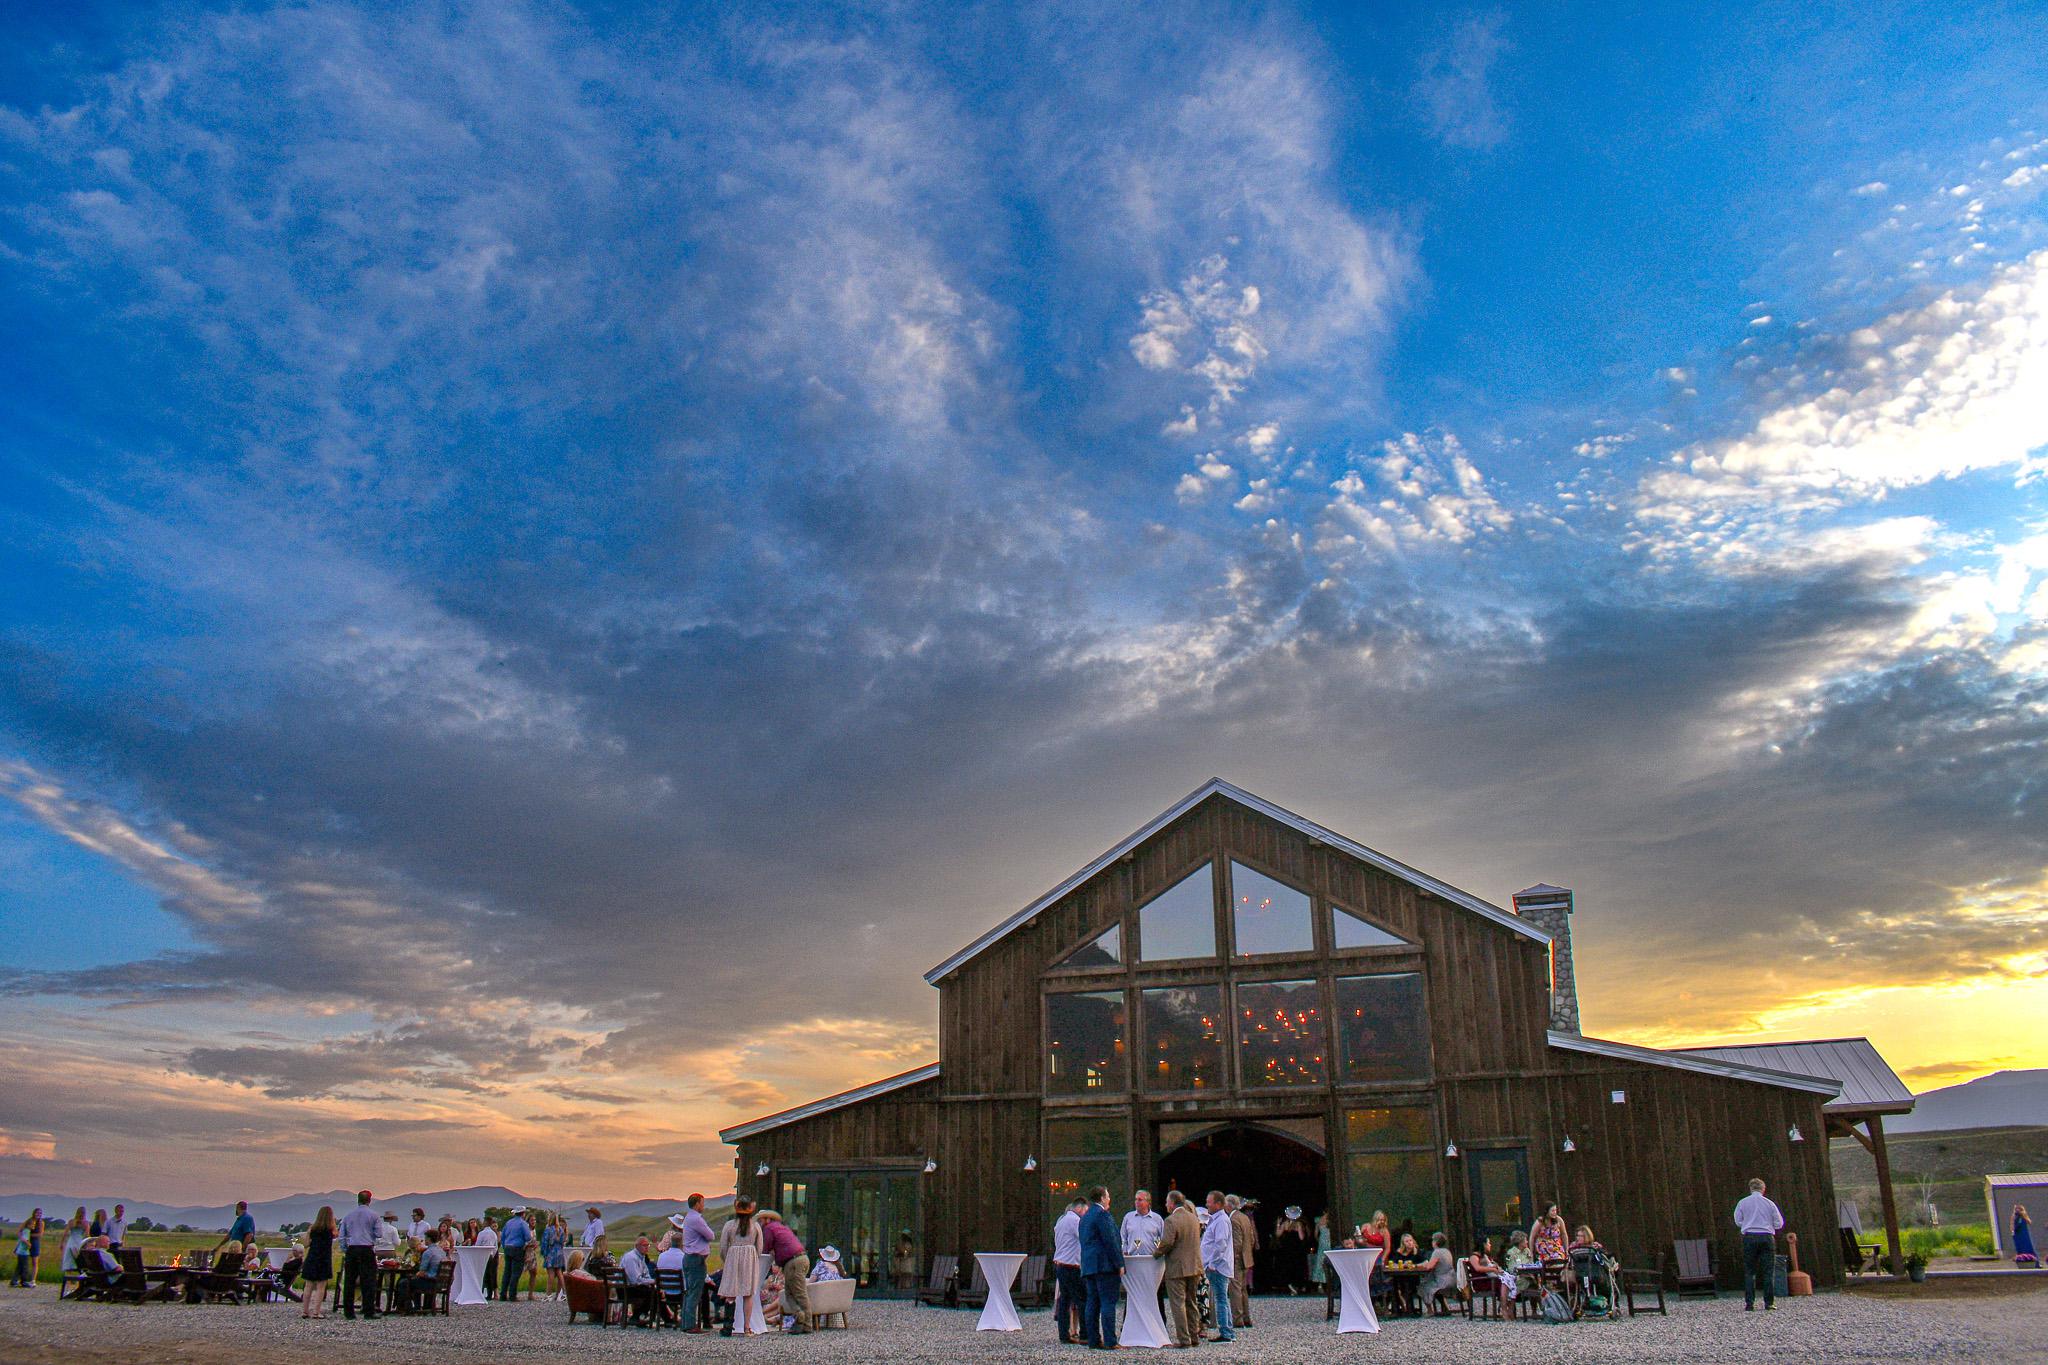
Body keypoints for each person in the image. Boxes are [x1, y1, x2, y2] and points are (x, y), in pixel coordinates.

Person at [1153, 1190, 1204, 1348]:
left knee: (1178, 1304)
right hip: (1194, 1266)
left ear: (1172, 1203)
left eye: (1167, 1202)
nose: (1165, 1205)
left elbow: (1167, 1242)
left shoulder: (1171, 1220)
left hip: (1177, 1268)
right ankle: (1194, 1336)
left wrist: (1156, 1253)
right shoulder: (1194, 1218)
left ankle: (1184, 1339)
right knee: (1192, 1302)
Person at [1078, 1185, 1123, 1350]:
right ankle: (1110, 1340)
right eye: (1108, 1196)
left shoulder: (1084, 1217)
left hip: (1089, 1266)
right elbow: (1111, 1241)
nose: (1109, 1199)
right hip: (1104, 1265)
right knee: (1108, 1302)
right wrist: (1119, 1263)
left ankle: (1093, 1339)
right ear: (1103, 1198)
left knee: (1092, 1302)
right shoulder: (1102, 1215)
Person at [1733, 1176, 1784, 1311]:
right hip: (1766, 1237)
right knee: (1768, 1271)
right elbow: (1779, 1223)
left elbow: (1738, 1221)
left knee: (1750, 1271)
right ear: (1763, 1189)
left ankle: (1750, 1303)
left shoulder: (1742, 1203)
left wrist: (1748, 1224)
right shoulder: (1769, 1203)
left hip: (1750, 1236)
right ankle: (1769, 1303)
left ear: (1750, 1189)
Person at [756, 1209, 811, 1334]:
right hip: (802, 1258)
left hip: (792, 1262)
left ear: (767, 1219)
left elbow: (765, 1247)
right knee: (792, 1292)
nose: (760, 1222)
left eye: (761, 1219)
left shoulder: (769, 1228)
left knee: (796, 1294)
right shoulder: (782, 1227)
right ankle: (803, 1320)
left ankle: (804, 1320)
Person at [717, 1199, 765, 1337]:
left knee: (731, 1293)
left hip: (733, 1257)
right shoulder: (755, 1226)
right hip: (750, 1258)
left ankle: (727, 1327)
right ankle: (747, 1328)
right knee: (748, 1294)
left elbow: (723, 1247)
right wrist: (753, 1257)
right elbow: (760, 1247)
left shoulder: (729, 1225)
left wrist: (728, 1259)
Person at [337, 1190, 383, 1320]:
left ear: (358, 1200)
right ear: (370, 1200)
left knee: (350, 1281)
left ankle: (349, 1312)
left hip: (352, 1249)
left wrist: (345, 1249)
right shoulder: (374, 1215)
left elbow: (342, 1236)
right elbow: (379, 1233)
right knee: (368, 1281)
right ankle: (368, 1310)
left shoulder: (348, 1216)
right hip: (366, 1249)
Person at [676, 1195, 716, 1333]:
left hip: (689, 1257)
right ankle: (690, 1325)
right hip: (696, 1258)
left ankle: (686, 1322)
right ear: (697, 1203)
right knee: (694, 1292)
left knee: (689, 1292)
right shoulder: (696, 1219)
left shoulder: (688, 1217)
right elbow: (710, 1235)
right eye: (702, 1203)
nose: (703, 1206)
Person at [1200, 1191, 1236, 1342]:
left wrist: (1212, 1263)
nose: (1207, 1204)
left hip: (1217, 1267)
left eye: (1209, 1202)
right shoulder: (1217, 1219)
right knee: (1222, 1299)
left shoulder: (1221, 1221)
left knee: (1221, 1299)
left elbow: (1220, 1244)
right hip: (1216, 1265)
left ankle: (1226, 1332)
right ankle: (1228, 1331)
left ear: (1218, 1204)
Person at [1052, 1195, 1087, 1344]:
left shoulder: (1061, 1221)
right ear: (1079, 1208)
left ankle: (1064, 1334)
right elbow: (1085, 1238)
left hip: (1061, 1265)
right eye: (1085, 1210)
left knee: (1064, 1301)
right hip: (1072, 1266)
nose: (1085, 1214)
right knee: (1082, 1300)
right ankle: (1085, 1334)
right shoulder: (1075, 1221)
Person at [1226, 1195, 1256, 1328]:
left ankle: (1237, 1319)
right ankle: (1246, 1317)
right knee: (1243, 1289)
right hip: (1247, 1258)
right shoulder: (1244, 1217)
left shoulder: (1233, 1219)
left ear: (1229, 1205)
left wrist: (1232, 1258)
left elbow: (1236, 1243)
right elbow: (1252, 1239)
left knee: (1235, 1289)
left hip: (1237, 1259)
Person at [300, 1206, 335, 1319]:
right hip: (324, 1259)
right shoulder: (331, 1230)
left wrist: (308, 1233)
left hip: (312, 1257)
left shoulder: (313, 1229)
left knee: (308, 1285)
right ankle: (316, 1312)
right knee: (321, 1286)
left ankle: (305, 1311)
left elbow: (306, 1244)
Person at [400, 1232, 446, 1313]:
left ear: (428, 1239)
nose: (424, 1240)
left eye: (425, 1238)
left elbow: (421, 1272)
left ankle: (409, 1307)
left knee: (404, 1282)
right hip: (441, 1282)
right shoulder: (441, 1251)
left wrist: (413, 1276)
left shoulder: (428, 1252)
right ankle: (424, 1306)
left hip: (431, 1282)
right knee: (414, 1281)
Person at [617, 1235, 657, 1326]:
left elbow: (646, 1275)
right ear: (637, 1246)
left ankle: (665, 1318)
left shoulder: (641, 1258)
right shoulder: (631, 1258)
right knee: (654, 1293)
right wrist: (652, 1282)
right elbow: (635, 1280)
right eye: (644, 1245)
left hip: (632, 1287)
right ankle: (638, 1316)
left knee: (655, 1291)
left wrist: (651, 1282)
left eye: (648, 1245)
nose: (647, 1247)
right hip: (624, 1289)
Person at [1272, 1205, 1309, 1292]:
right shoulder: (1298, 1224)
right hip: (1296, 1249)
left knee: (1288, 1266)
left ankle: (1290, 1283)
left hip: (1287, 1249)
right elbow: (1301, 1238)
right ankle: (1295, 1284)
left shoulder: (1285, 1223)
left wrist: (1278, 1224)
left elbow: (1277, 1234)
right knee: (1296, 1266)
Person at [1418, 1232, 1457, 1315]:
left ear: (1435, 1242)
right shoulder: (1447, 1251)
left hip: (1442, 1281)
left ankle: (1430, 1310)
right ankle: (1445, 1308)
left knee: (1423, 1287)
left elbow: (1429, 1267)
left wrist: (1424, 1264)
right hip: (1452, 1279)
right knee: (1431, 1285)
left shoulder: (1437, 1252)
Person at [499, 1207, 531, 1301]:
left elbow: (503, 1236)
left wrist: (505, 1246)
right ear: (523, 1213)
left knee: (507, 1271)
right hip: (517, 1248)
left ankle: (503, 1294)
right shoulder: (523, 1223)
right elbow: (528, 1237)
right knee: (515, 1272)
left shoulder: (508, 1223)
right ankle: (512, 1295)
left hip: (508, 1247)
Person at [1121, 1188, 1163, 1255]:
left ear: (1148, 1202)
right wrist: (1125, 1250)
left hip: (1151, 1258)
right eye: (1136, 1199)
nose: (1136, 1202)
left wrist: (1159, 1253)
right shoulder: (1128, 1217)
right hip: (1132, 1258)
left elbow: (1163, 1238)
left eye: (1140, 1200)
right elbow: (1123, 1236)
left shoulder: (1157, 1219)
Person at [541, 1212, 568, 1300]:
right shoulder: (560, 1229)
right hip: (559, 1252)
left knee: (551, 1274)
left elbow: (545, 1242)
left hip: (551, 1252)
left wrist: (544, 1253)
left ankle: (548, 1295)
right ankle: (564, 1293)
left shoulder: (548, 1229)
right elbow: (562, 1241)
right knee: (559, 1273)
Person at [1310, 1211, 1332, 1298]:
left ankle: (1323, 1285)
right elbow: (1315, 1233)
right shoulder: (1320, 1220)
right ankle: (1321, 1285)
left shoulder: (1323, 1220)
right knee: (1321, 1262)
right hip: (1325, 1242)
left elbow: (1316, 1234)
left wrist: (1319, 1240)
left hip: (1324, 1241)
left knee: (1323, 1261)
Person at [22, 1209, 43, 1289]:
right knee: (24, 1261)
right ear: (34, 1213)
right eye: (37, 1213)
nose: (39, 1214)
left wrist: (29, 1235)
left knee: (34, 1262)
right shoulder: (29, 1221)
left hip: (35, 1242)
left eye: (40, 1213)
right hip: (26, 1242)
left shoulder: (41, 1223)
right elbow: (22, 1229)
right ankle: (23, 1279)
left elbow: (40, 1234)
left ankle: (33, 1280)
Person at [12, 1217, 32, 1288]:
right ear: (28, 1225)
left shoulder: (23, 1231)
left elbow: (20, 1239)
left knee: (19, 1267)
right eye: (32, 1224)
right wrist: (29, 1244)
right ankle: (24, 1282)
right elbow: (23, 1239)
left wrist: (15, 1249)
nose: (33, 1226)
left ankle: (14, 1281)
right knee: (24, 1267)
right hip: (24, 1252)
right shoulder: (27, 1231)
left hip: (20, 1251)